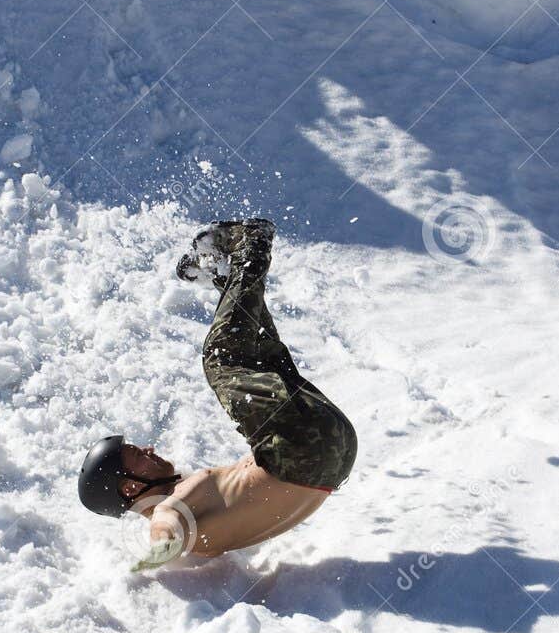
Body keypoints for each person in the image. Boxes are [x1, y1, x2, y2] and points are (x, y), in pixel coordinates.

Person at [77, 218, 357, 568]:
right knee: (220, 358)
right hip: (298, 448)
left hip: (331, 458)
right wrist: (157, 550)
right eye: (134, 453)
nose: (147, 448)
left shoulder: (204, 534)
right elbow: (166, 525)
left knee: (260, 361)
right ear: (129, 488)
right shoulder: (170, 507)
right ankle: (251, 243)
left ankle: (226, 279)